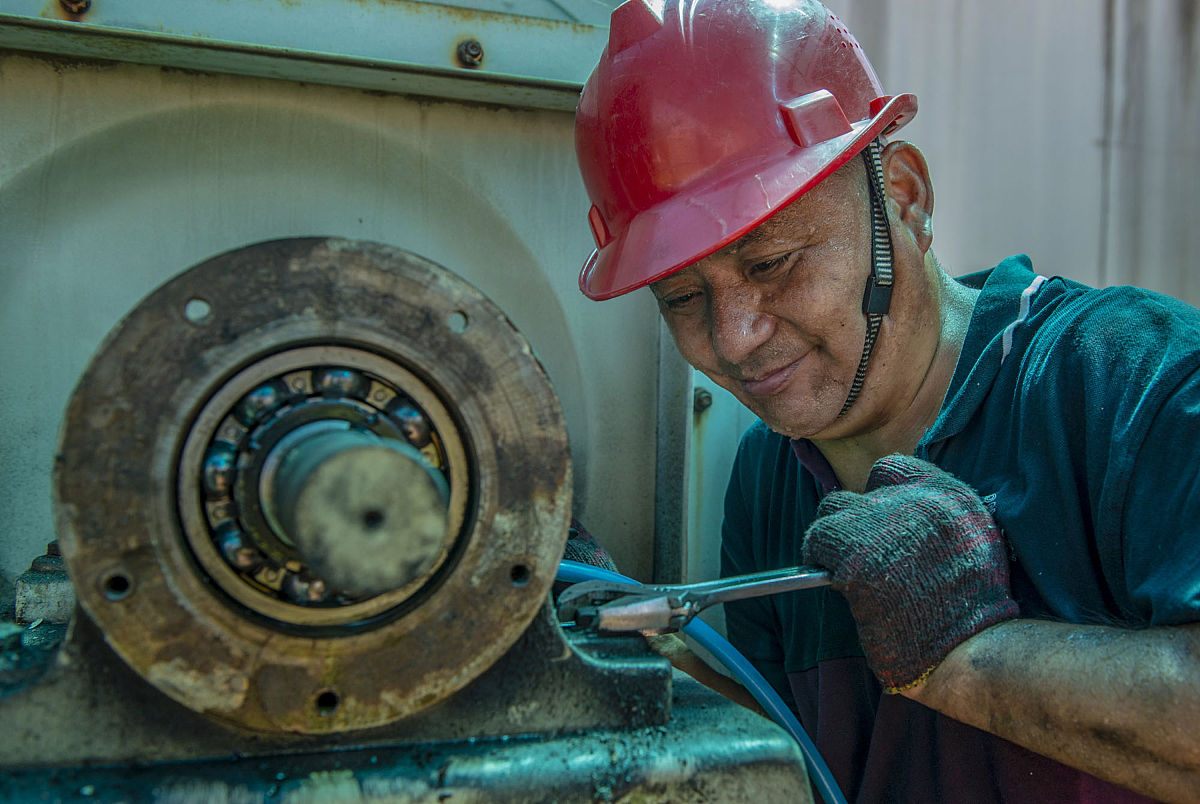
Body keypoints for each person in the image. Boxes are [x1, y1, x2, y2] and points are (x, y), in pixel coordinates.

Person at [572, 1, 1200, 801]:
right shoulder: (769, 474)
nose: (733, 338)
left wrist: (967, 654)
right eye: (682, 297)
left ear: (902, 198)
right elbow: (791, 762)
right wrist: (630, 650)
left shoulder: (1131, 380)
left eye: (771, 263)